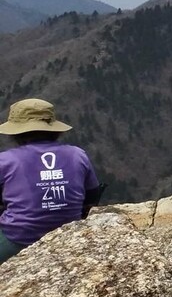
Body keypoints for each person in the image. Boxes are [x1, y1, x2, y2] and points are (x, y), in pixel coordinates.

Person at [0, 98, 104, 264]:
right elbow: (91, 195)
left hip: (19, 238)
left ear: (16, 132)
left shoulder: (6, 160)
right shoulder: (77, 154)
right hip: (67, 235)